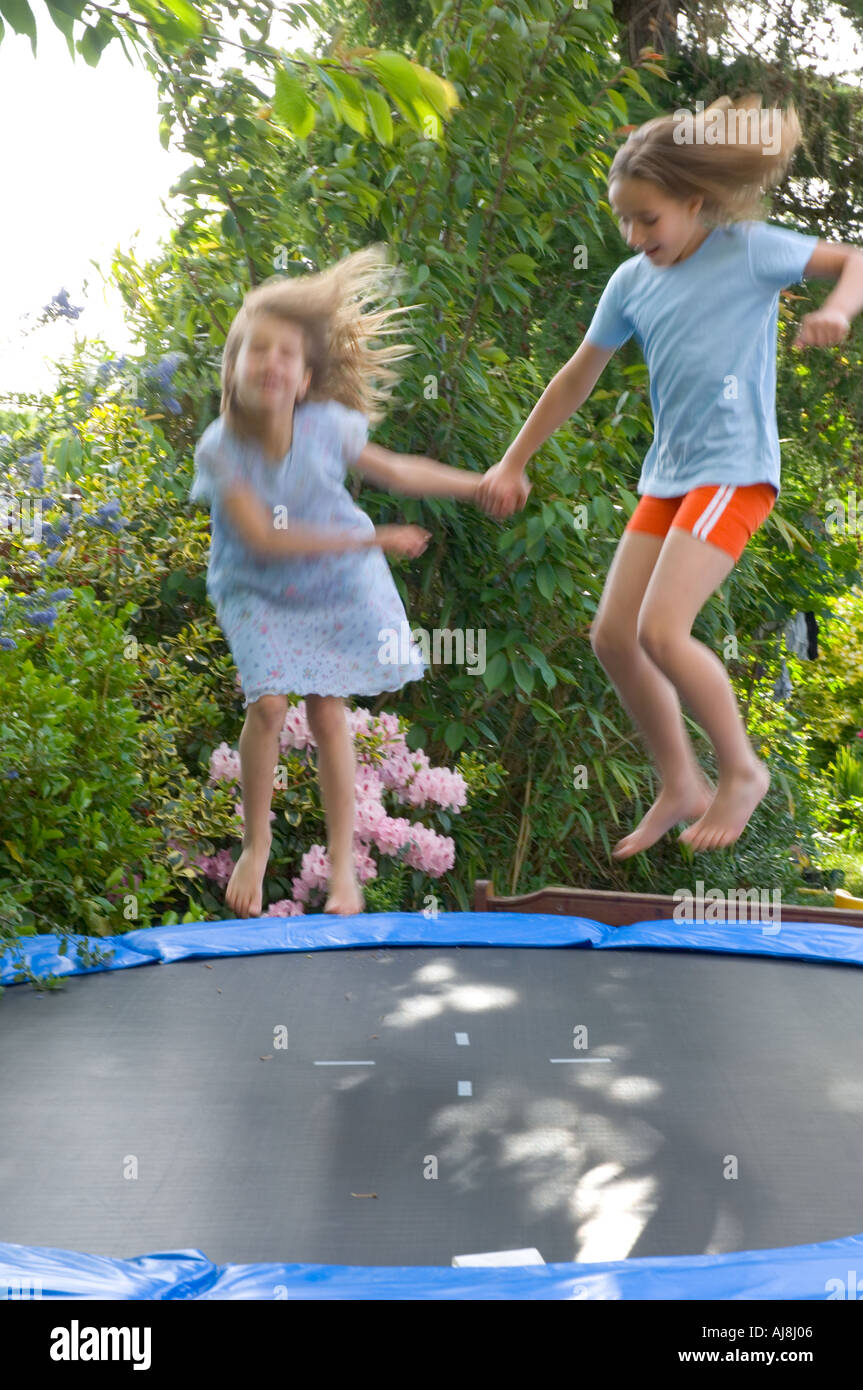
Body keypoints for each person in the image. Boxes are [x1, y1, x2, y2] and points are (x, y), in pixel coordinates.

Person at [478, 95, 863, 858]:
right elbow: (573, 378)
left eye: (648, 219)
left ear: (693, 202)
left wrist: (839, 311)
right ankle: (679, 780)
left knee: (661, 629)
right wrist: (512, 459)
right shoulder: (628, 282)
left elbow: (856, 258)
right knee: (613, 637)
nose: (634, 235)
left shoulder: (747, 248)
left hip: (734, 471)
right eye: (624, 221)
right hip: (669, 477)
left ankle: (741, 770)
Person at [190, 245, 483, 917]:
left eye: (286, 354)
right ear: (231, 367)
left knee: (328, 714)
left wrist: (478, 485)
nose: (270, 363)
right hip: (256, 585)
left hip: (330, 582)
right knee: (267, 704)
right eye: (255, 350)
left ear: (306, 376)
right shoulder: (219, 447)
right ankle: (257, 846)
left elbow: (400, 471)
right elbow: (264, 537)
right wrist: (372, 536)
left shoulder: (327, 427)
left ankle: (345, 870)